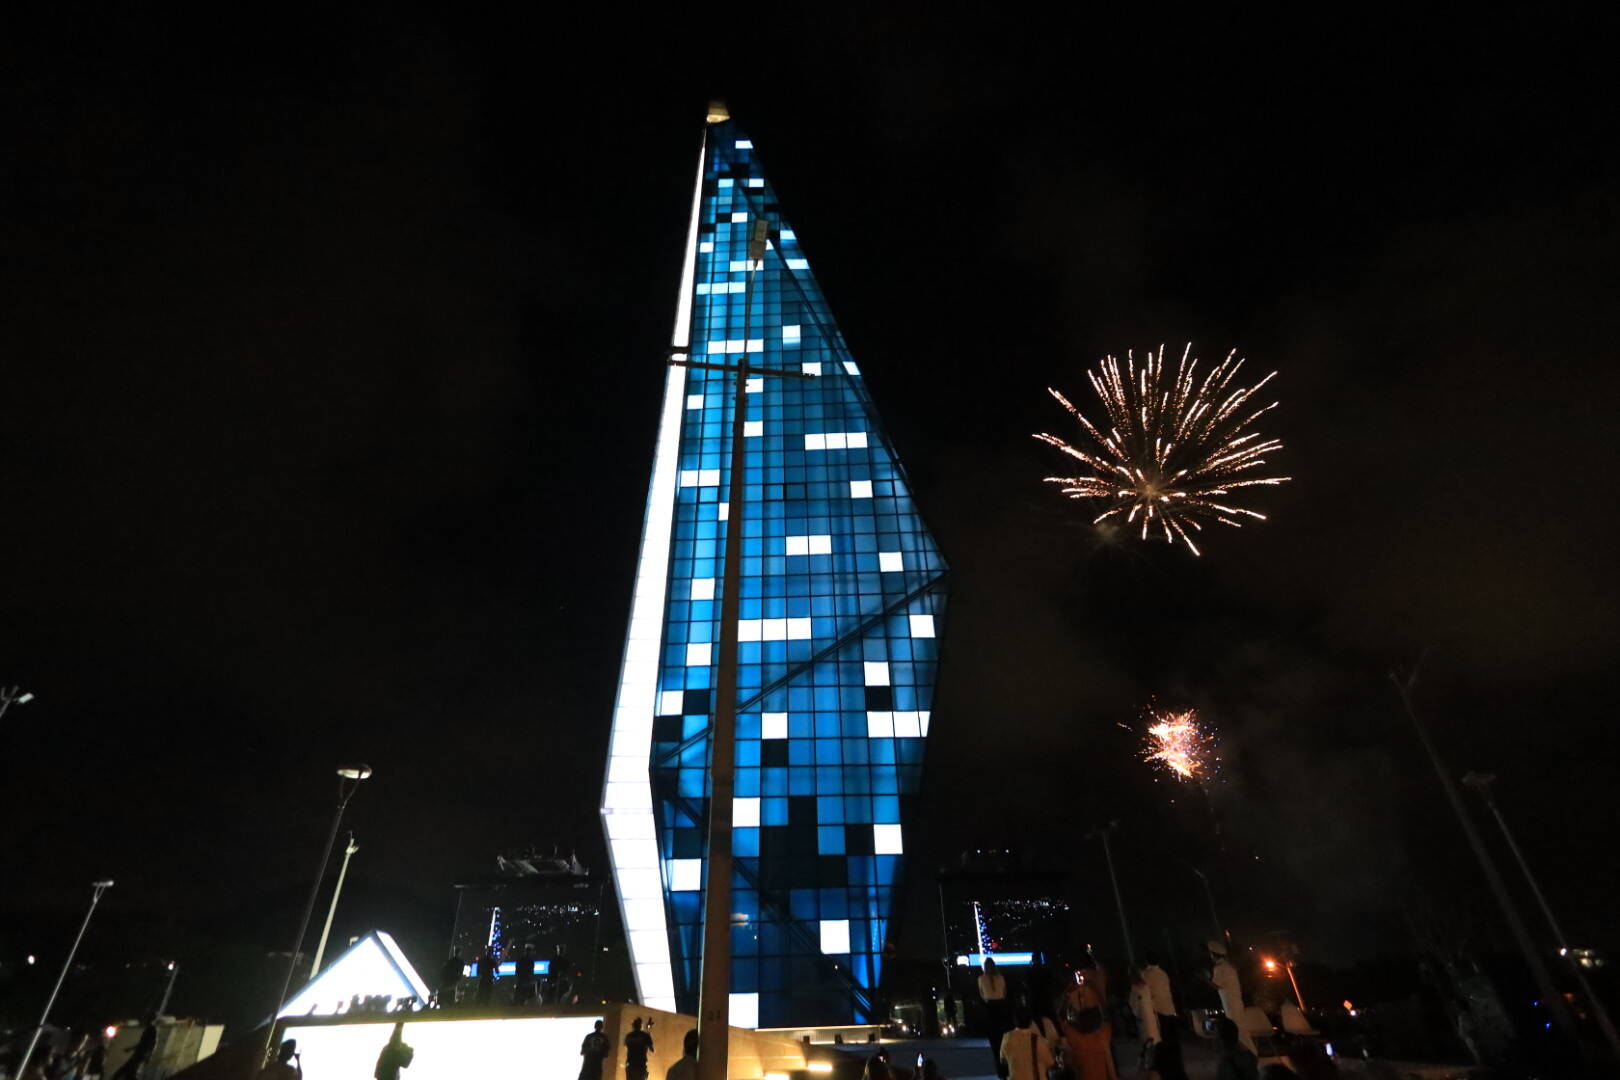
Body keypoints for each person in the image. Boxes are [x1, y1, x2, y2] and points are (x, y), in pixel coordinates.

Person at [1060, 965, 1116, 1080]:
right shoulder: (1103, 1036)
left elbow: (1060, 1017)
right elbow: (1107, 1014)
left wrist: (1067, 993)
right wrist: (1095, 989)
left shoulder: (1075, 1040)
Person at [1141, 958, 1186, 1080]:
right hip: (1170, 1011)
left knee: (1162, 1047)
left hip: (1159, 1014)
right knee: (1174, 1047)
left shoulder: (1146, 975)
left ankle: (1166, 1072)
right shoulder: (1163, 973)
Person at [1208, 942, 1256, 1055]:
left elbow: (1216, 985)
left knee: (1238, 1029)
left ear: (1213, 954)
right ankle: (1250, 1053)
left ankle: (1249, 1054)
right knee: (1241, 1028)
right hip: (1235, 1001)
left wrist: (1205, 978)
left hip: (1230, 1003)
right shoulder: (1229, 967)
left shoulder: (1219, 968)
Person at [1000, 1006, 1055, 1080]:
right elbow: (1050, 1062)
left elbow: (1003, 1060)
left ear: (1014, 1020)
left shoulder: (1007, 1038)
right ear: (1030, 1022)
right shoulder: (1039, 1041)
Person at [977, 956, 1010, 1077]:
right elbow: (1005, 993)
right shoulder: (1001, 978)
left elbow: (981, 994)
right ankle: (1008, 1068)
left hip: (990, 1009)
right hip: (1002, 1009)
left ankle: (1000, 1071)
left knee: (995, 1044)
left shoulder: (981, 979)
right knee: (1005, 1042)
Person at [1128, 968, 1161, 1078]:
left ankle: (1150, 1071)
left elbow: (1134, 1007)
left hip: (1144, 1023)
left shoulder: (1135, 989)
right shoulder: (1146, 987)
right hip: (1151, 1021)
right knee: (1152, 1046)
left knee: (1147, 1048)